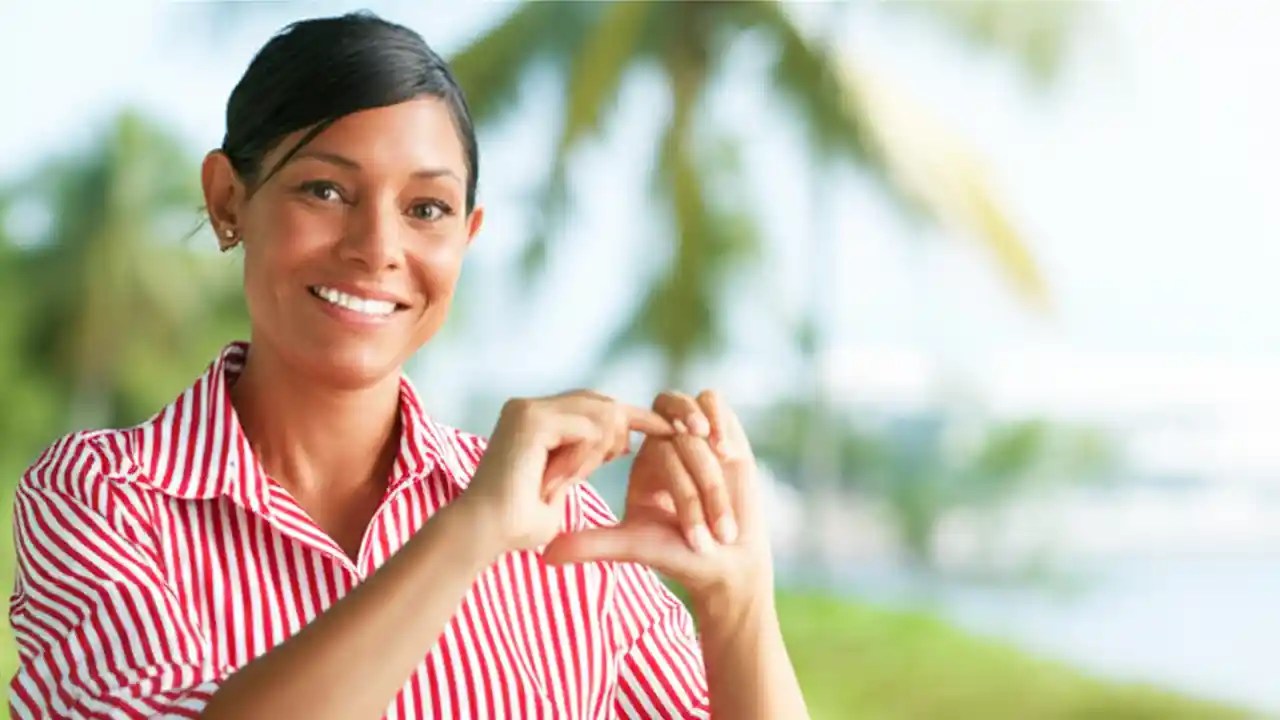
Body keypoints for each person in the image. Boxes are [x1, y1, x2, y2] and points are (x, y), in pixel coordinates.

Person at [7, 12, 808, 720]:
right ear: (227, 200)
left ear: (467, 234)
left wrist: (737, 606)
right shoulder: (100, 500)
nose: (377, 250)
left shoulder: (566, 529)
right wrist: (470, 534)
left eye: (426, 210)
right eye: (324, 190)